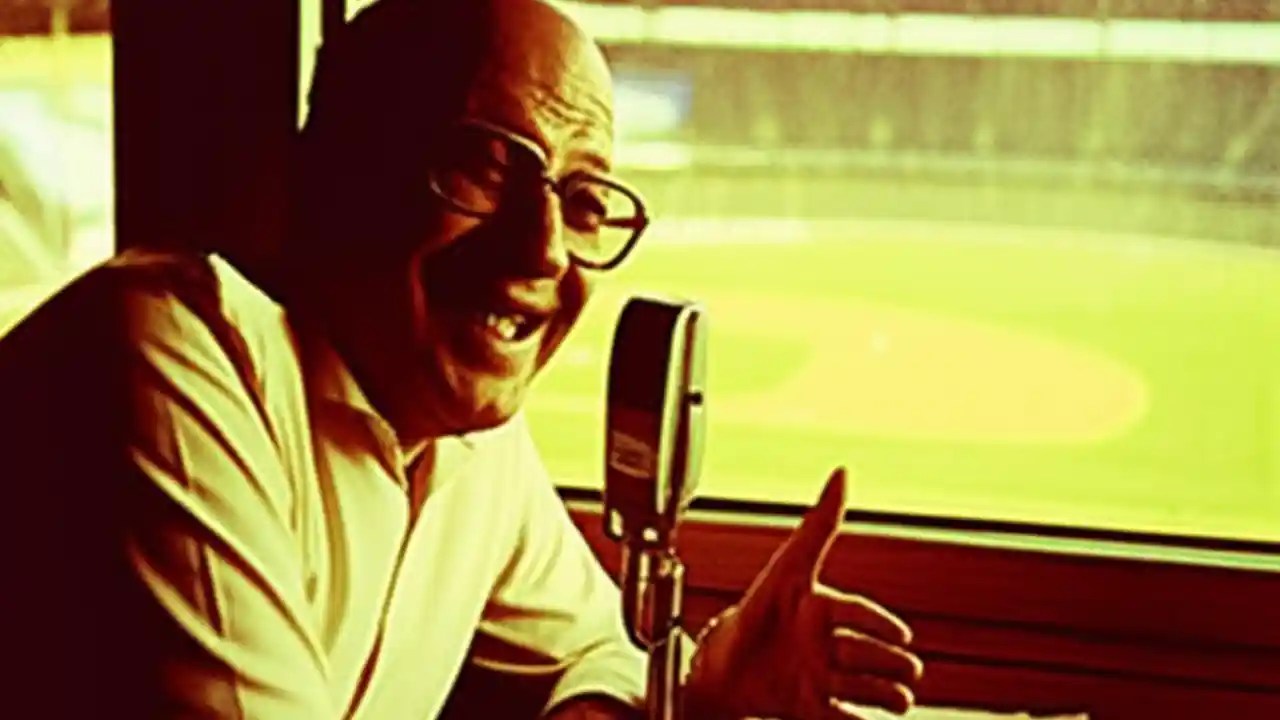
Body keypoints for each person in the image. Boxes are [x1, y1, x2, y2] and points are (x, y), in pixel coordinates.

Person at [0, 0, 922, 717]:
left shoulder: (464, 437)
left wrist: (702, 690)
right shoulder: (162, 358)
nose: (544, 250)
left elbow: (596, 652)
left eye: (585, 200)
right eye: (485, 163)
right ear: (337, 166)